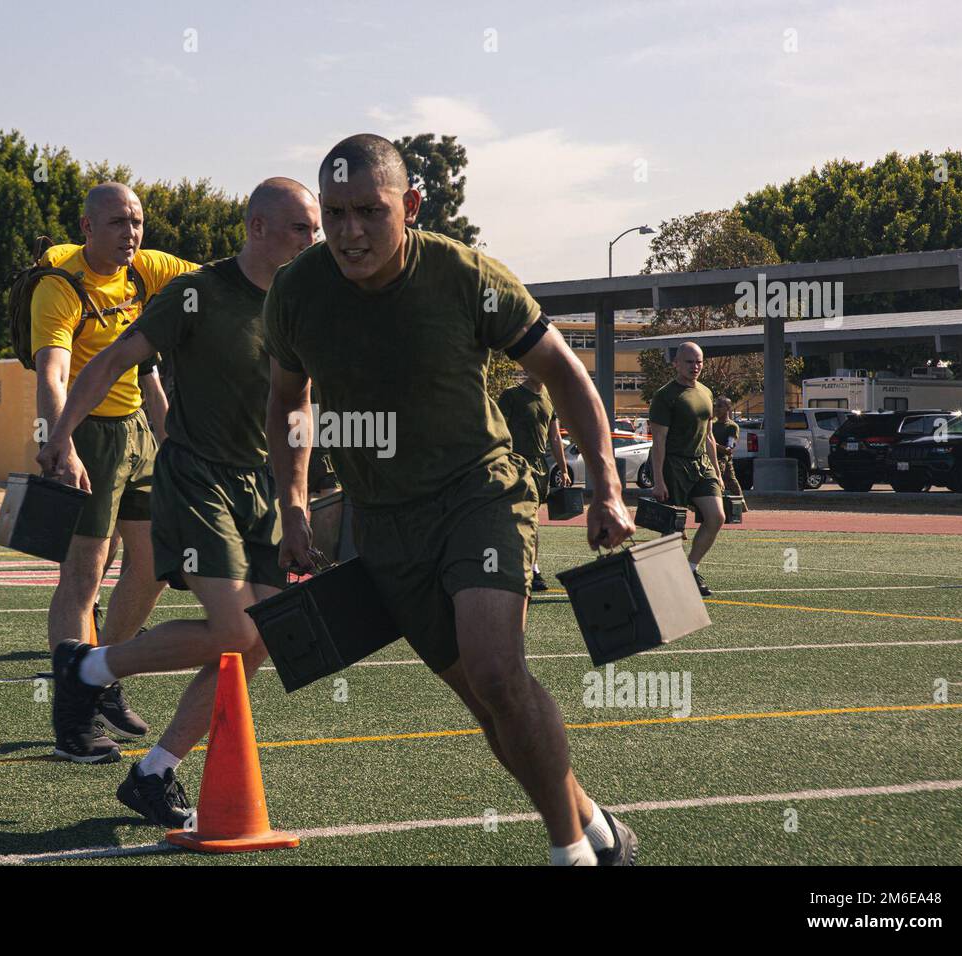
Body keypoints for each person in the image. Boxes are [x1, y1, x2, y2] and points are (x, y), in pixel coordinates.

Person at [264, 134, 638, 866]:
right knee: (487, 704)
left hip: (479, 494)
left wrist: (608, 485)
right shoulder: (297, 292)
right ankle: (595, 824)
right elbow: (287, 403)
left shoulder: (467, 276)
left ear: (411, 205)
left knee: (498, 671)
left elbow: (564, 373)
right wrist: (294, 506)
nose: (349, 232)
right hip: (384, 524)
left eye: (369, 211)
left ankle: (571, 855)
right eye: (335, 213)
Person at [37, 178, 321, 820]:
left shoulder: (299, 305)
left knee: (257, 640)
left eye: (315, 230)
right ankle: (87, 669)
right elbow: (110, 361)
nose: (314, 240)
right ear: (258, 227)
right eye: (303, 228)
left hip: (264, 489)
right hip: (197, 480)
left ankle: (155, 771)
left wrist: (297, 503)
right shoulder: (197, 293)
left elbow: (298, 405)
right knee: (232, 627)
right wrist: (60, 433)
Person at [30, 182, 199, 763]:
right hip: (89, 436)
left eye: (137, 221)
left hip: (136, 433)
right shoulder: (60, 288)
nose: (131, 232)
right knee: (84, 576)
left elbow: (222, 278)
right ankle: (73, 721)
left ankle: (102, 674)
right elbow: (51, 375)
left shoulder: (143, 271)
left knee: (153, 564)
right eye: (118, 223)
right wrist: (63, 442)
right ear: (86, 228)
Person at [648, 342, 725, 596]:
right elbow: (658, 441)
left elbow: (710, 436)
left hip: (701, 463)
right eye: (690, 362)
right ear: (677, 364)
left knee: (716, 517)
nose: (696, 366)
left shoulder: (706, 392)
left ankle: (690, 568)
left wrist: (717, 471)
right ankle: (657, 579)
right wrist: (659, 480)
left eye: (699, 361)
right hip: (674, 464)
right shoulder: (665, 396)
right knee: (672, 529)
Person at [496, 372, 565, 591]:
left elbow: (554, 437)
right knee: (511, 518)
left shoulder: (548, 397)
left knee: (532, 519)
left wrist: (563, 469)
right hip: (514, 464)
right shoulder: (511, 395)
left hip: (539, 467)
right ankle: (508, 567)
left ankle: (533, 569)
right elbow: (498, 431)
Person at [712, 397, 745, 497]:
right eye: (715, 406)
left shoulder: (731, 427)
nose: (716, 409)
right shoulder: (712, 425)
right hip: (709, 461)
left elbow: (729, 450)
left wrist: (713, 445)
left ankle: (739, 507)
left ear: (728, 408)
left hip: (723, 462)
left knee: (733, 487)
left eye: (720, 406)